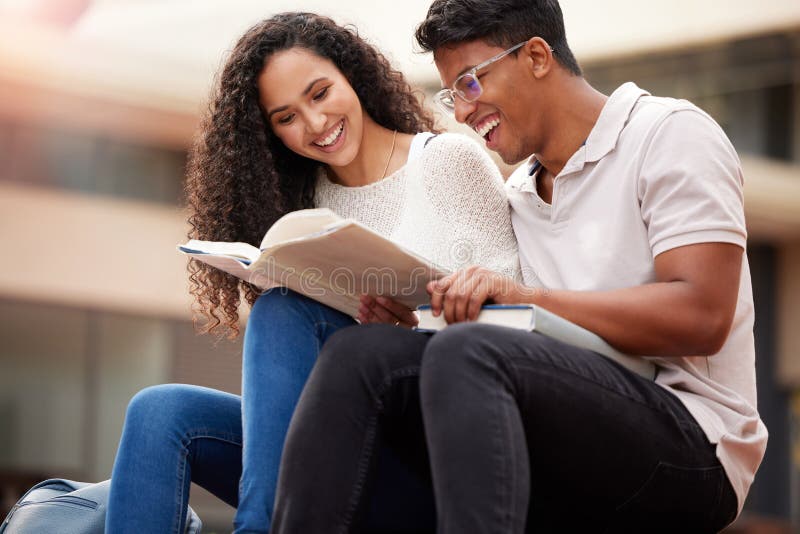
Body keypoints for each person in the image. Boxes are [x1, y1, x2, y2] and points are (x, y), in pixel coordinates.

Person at [269, 1, 769, 533]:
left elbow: (702, 316)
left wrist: (525, 299)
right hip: (565, 421)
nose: (460, 112)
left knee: (469, 353)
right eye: (451, 93)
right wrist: (415, 326)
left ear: (534, 57)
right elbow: (526, 351)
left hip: (694, 447)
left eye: (470, 83)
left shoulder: (668, 134)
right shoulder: (519, 197)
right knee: (362, 354)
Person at [105, 11, 520, 534]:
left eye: (320, 93)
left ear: (353, 75)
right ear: (270, 133)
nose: (315, 124)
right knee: (160, 412)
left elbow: (523, 331)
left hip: (432, 456)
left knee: (283, 310)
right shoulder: (302, 211)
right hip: (334, 454)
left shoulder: (448, 163)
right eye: (286, 117)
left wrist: (412, 330)